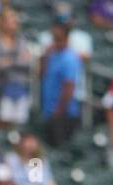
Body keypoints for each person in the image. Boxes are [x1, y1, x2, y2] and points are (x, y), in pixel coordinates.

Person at [39, 13, 82, 147]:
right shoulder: (51, 53)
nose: (55, 30)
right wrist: (45, 55)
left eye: (59, 28)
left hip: (63, 115)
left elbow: (69, 87)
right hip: (48, 111)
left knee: (60, 150)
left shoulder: (70, 57)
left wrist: (58, 113)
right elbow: (41, 75)